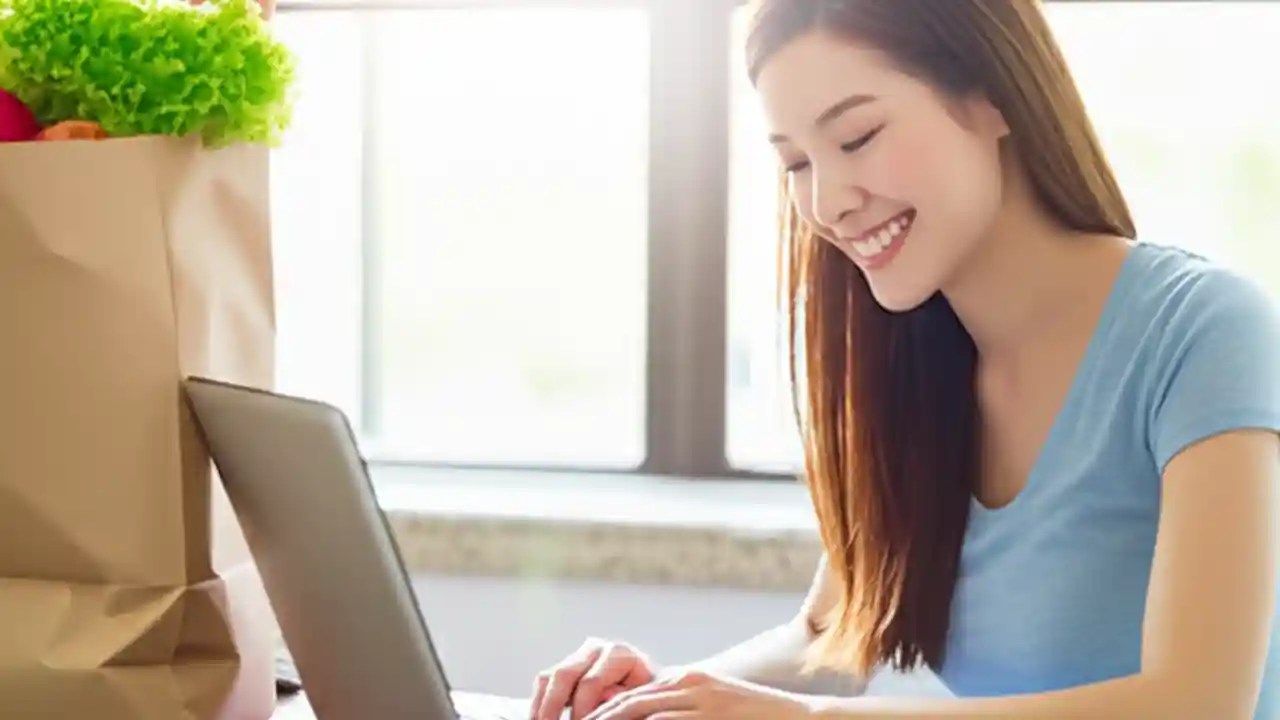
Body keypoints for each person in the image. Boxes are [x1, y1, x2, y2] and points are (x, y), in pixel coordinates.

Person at [529, 1, 1280, 718]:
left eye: (855, 138)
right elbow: (829, 636)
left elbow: (1196, 704)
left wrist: (802, 719)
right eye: (795, 163)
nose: (827, 202)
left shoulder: (1205, 331)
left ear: (992, 95)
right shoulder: (917, 364)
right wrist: (656, 696)